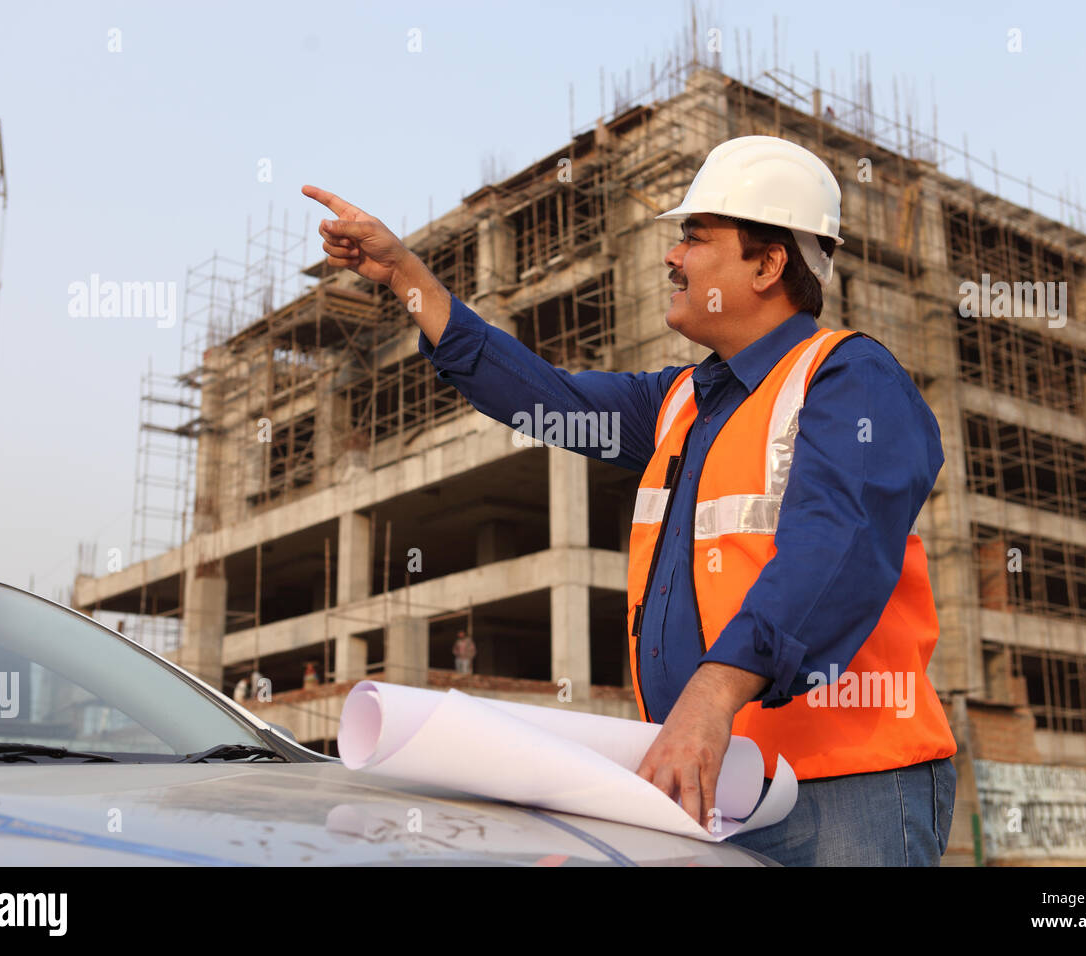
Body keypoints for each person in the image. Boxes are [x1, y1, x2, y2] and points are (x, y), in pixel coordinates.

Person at [302, 135, 957, 865]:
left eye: (695, 238)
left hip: (847, 790)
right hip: (710, 785)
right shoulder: (679, 403)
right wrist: (406, 277)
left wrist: (710, 697)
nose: (672, 257)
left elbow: (836, 546)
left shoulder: (851, 379)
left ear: (769, 264)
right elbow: (538, 399)